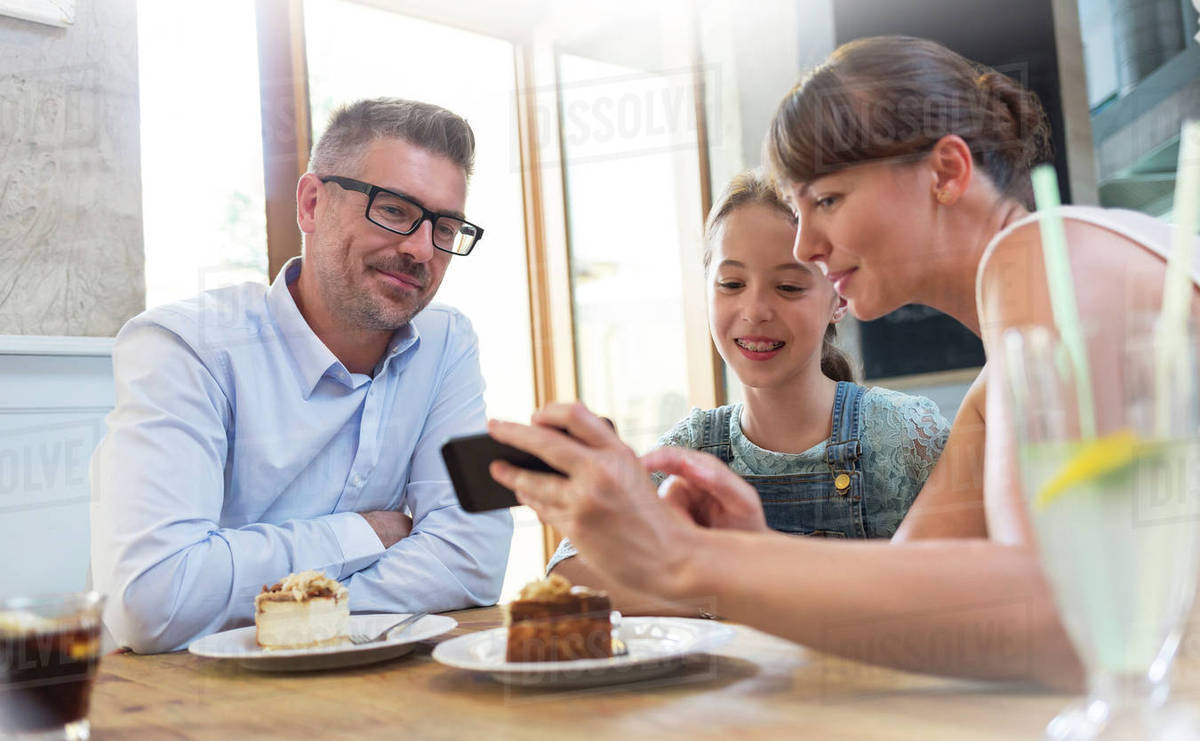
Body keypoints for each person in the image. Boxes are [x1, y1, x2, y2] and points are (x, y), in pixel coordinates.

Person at [487, 36, 1200, 688]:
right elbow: (912, 593)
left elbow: (1076, 621)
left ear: (946, 171)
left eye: (826, 198)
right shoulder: (1005, 369)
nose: (804, 247)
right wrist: (756, 554)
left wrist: (690, 558)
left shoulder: (1049, 259)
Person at [91, 98, 513, 653]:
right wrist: (369, 533)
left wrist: (275, 605)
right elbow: (155, 600)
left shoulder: (448, 343)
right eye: (392, 210)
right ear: (312, 204)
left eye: (446, 227)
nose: (419, 249)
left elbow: (472, 561)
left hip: (378, 695)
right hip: (194, 703)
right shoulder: (187, 347)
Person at [546, 170, 949, 611]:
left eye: (788, 287)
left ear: (839, 298)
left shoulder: (906, 434)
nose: (755, 311)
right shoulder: (693, 449)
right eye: (731, 284)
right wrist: (728, 592)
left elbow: (963, 583)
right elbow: (570, 574)